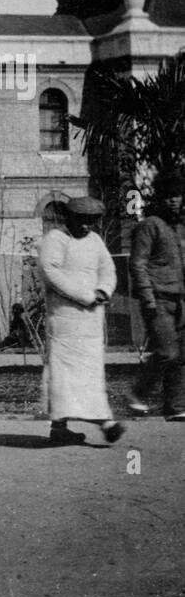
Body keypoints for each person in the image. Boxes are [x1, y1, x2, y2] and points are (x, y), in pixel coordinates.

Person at [37, 197, 125, 444]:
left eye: (91, 222)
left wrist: (103, 291)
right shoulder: (55, 239)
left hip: (91, 321)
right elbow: (51, 272)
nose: (86, 227)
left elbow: (108, 269)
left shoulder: (96, 241)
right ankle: (103, 422)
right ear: (68, 218)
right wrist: (86, 296)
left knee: (90, 372)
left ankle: (60, 428)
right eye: (81, 221)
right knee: (63, 374)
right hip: (65, 318)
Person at [129, 170, 185, 420]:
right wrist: (147, 298)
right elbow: (137, 264)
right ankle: (136, 395)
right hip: (158, 299)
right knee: (166, 352)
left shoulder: (179, 229)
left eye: (178, 196)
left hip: (180, 300)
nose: (174, 201)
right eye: (169, 196)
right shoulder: (149, 225)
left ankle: (174, 407)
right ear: (159, 199)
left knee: (180, 356)